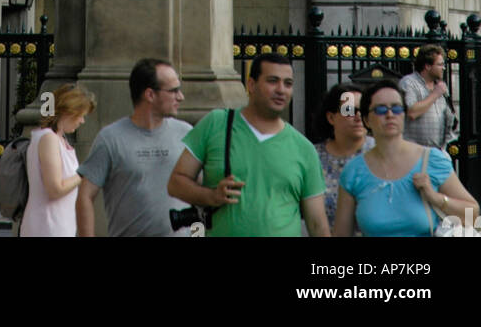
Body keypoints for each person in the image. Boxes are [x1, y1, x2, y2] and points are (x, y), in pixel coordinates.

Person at [167, 54, 330, 237]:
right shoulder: (216, 124)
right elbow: (176, 183)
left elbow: (318, 225)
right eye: (272, 81)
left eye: (288, 83)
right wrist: (211, 196)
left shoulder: (303, 148)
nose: (281, 90)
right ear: (251, 84)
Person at [334, 79, 478, 237]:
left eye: (396, 108)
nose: (390, 115)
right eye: (381, 109)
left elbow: (473, 213)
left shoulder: (432, 160)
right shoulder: (354, 171)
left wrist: (436, 198)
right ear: (367, 120)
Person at [76, 58, 193, 237]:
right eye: (173, 91)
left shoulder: (186, 133)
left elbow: (206, 188)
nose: (181, 97)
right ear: (150, 95)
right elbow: (85, 195)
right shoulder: (110, 138)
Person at [19, 84, 95, 238]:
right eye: (80, 115)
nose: (82, 121)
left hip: (56, 226)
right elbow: (55, 189)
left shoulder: (58, 139)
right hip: (47, 227)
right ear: (68, 111)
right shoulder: (49, 139)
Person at [311, 82, 374, 229]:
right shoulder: (313, 157)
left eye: (363, 110)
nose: (358, 117)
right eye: (349, 110)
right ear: (331, 117)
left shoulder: (382, 152)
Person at [399, 44, 457, 152]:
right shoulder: (409, 83)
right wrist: (435, 94)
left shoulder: (440, 86)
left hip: (438, 152)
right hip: (414, 152)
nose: (443, 68)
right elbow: (412, 112)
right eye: (440, 65)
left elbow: (449, 118)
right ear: (427, 66)